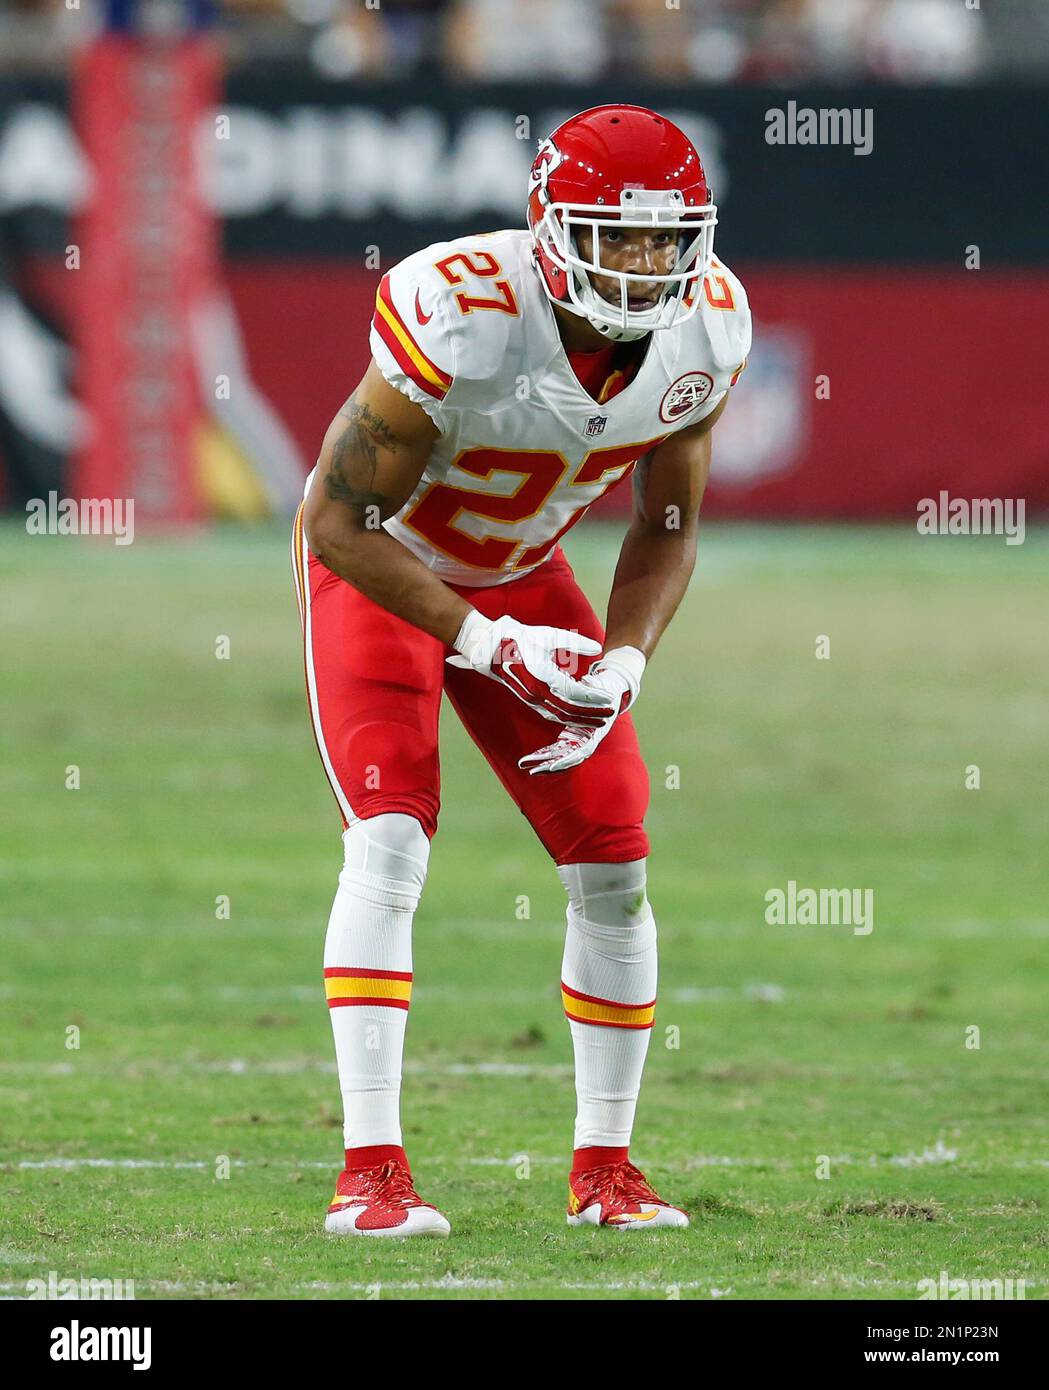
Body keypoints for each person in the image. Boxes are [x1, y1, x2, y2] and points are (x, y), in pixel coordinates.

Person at [293, 103, 751, 1236]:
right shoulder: (460, 309)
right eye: (617, 234)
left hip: (526, 574)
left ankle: (606, 1169)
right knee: (390, 837)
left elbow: (669, 520)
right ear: (550, 226)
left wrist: (627, 658)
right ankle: (372, 1172)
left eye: (666, 238)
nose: (646, 265)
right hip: (386, 571)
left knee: (615, 863)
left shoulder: (706, 330)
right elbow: (335, 517)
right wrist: (490, 643)